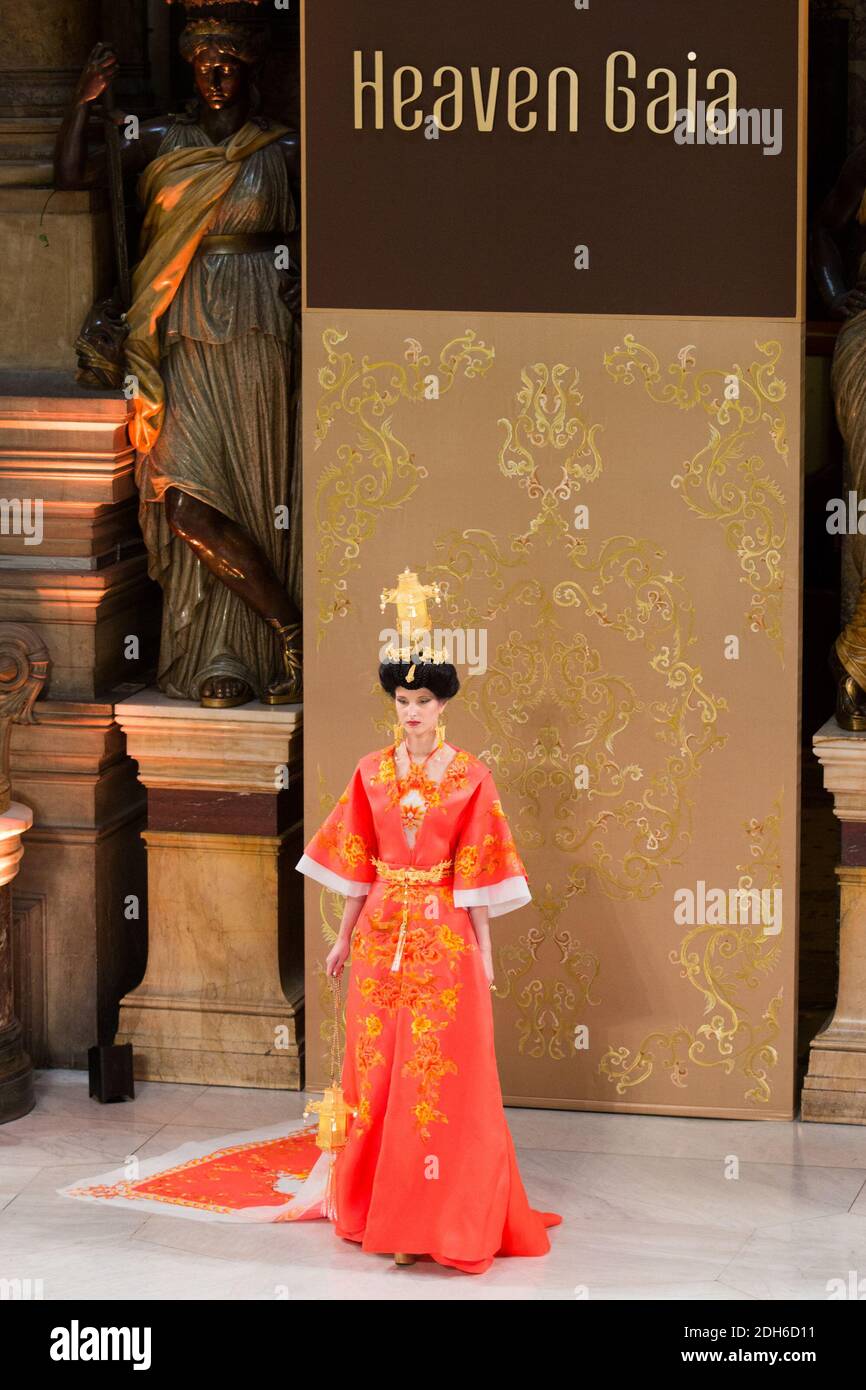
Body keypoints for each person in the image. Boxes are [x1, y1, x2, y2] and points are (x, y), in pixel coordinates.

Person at [54, 21, 302, 708]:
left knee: (256, 491)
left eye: (228, 61)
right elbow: (73, 173)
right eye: (204, 62)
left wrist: (301, 271)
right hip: (179, 323)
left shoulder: (283, 146)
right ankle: (278, 636)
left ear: (250, 68)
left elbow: (336, 226)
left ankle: (250, 657)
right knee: (187, 503)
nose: (215, 74)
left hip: (259, 329)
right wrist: (83, 103)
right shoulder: (160, 138)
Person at [293, 646, 562, 1273]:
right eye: (403, 702)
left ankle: (435, 1214)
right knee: (378, 1071)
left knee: (439, 1077)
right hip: (381, 931)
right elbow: (358, 864)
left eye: (423, 703)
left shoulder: (471, 776)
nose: (412, 713)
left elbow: (478, 873)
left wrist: (485, 952)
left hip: (444, 938)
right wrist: (341, 937)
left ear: (443, 707)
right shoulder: (370, 771)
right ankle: (375, 1208)